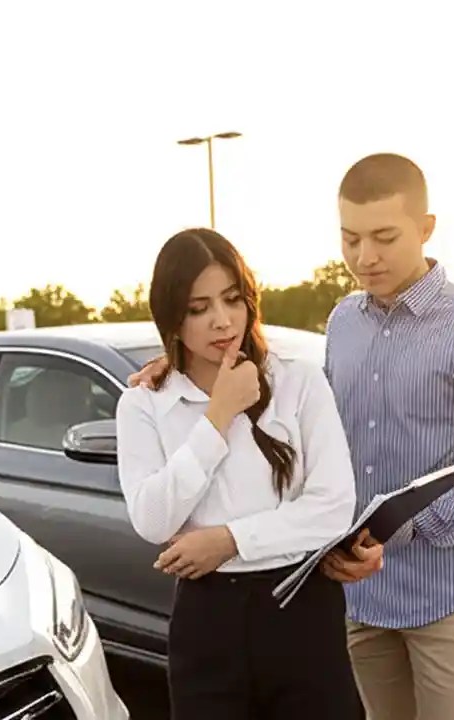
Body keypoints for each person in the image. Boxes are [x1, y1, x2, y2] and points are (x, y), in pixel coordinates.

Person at [131, 153, 454, 720]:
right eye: (349, 239)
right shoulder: (344, 320)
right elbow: (305, 436)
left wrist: (407, 527)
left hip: (444, 589)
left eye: (384, 237)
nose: (363, 257)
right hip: (350, 593)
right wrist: (180, 365)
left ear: (425, 229)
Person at [115, 227, 363, 720]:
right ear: (171, 316)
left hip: (303, 606)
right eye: (198, 307)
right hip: (209, 622)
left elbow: (333, 507)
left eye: (232, 299)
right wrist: (218, 416)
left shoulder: (299, 381)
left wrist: (229, 540)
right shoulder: (144, 403)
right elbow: (151, 519)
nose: (221, 321)